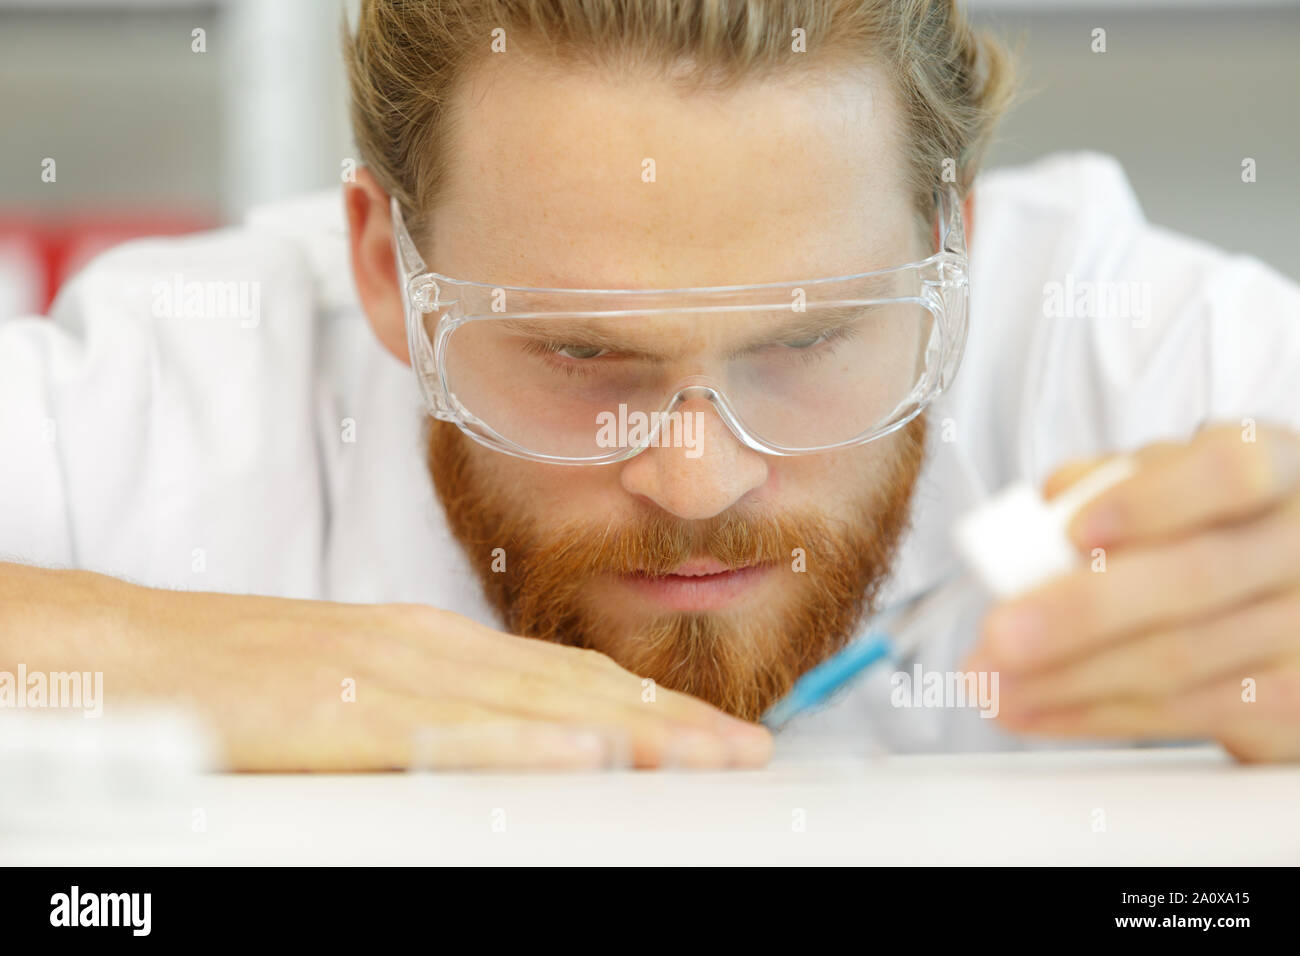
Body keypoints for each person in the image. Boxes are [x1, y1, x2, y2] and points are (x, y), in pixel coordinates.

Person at [2, 0, 1297, 770]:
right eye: (580, 356)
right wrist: (144, 648)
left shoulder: (1139, 356)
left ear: (953, 248)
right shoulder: (180, 391)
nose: (699, 477)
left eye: (804, 346)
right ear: (385, 270)